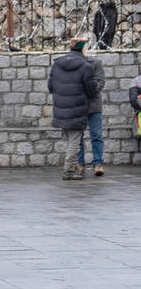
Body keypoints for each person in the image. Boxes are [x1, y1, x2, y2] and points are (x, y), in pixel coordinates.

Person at [49, 36, 96, 181]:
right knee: (74, 143)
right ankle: (68, 171)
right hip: (77, 110)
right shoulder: (85, 66)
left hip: (61, 109)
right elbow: (91, 91)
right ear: (82, 49)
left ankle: (72, 167)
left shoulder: (57, 64)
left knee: (69, 141)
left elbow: (50, 87)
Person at [76, 45, 106, 176]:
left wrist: (87, 92)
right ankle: (80, 164)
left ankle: (98, 163)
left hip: (94, 105)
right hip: (78, 106)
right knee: (78, 137)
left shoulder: (96, 63)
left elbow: (100, 82)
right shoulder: (74, 64)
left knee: (97, 136)